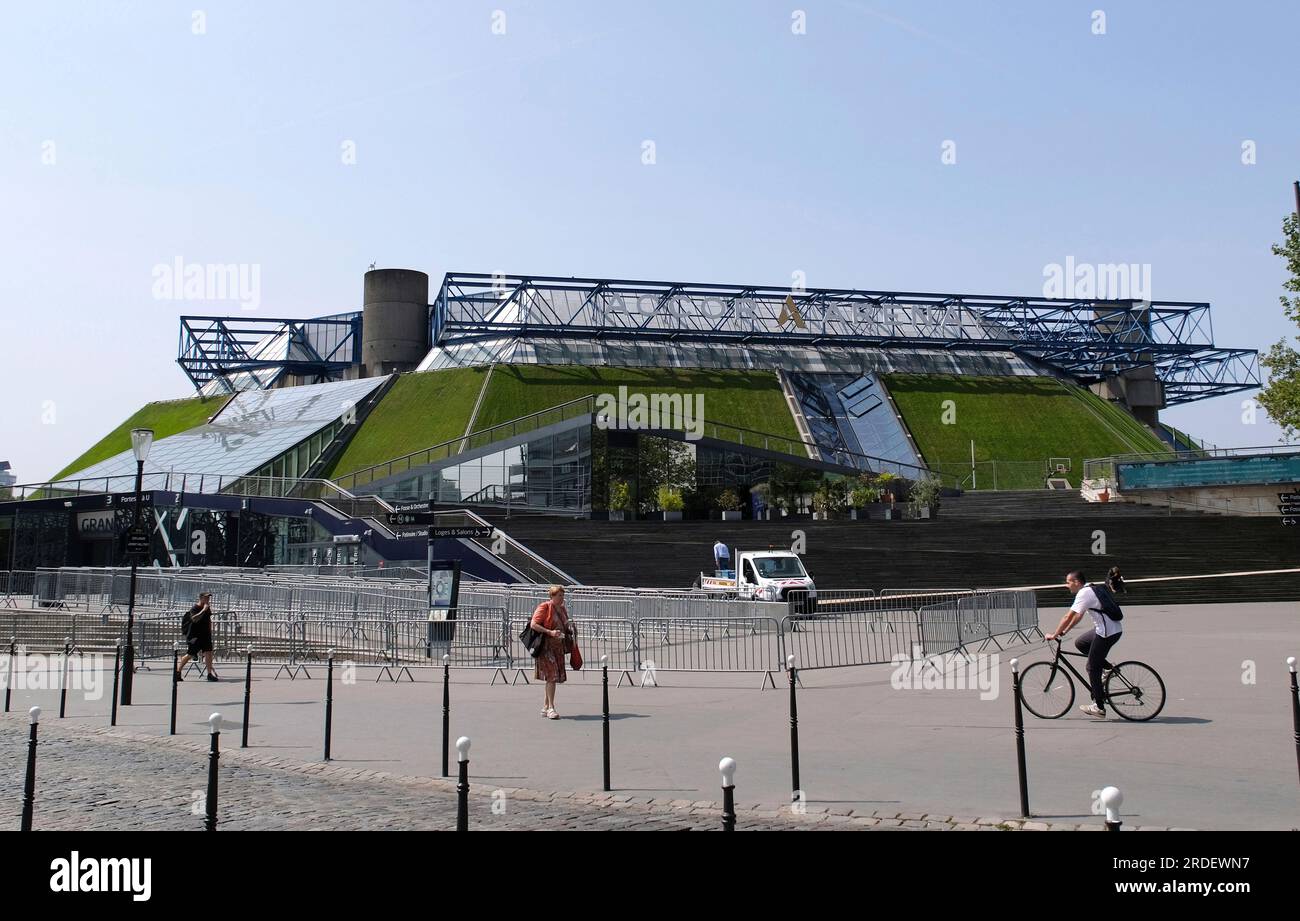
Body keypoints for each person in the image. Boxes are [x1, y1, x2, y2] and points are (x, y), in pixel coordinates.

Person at [1046, 570, 1122, 719]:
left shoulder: (1083, 593)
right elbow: (1078, 616)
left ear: (1076, 582)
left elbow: (1068, 616)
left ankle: (1099, 706)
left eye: (1068, 582)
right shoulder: (1091, 587)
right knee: (1081, 643)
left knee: (1092, 667)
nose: (1067, 585)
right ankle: (1108, 669)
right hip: (1111, 629)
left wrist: (1054, 634)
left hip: (1107, 633)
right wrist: (1065, 631)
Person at [530, 585, 573, 719]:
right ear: (552, 596)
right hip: (546, 647)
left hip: (558, 647)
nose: (562, 598)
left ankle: (545, 707)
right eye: (559, 595)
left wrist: (570, 628)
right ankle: (551, 708)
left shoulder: (562, 609)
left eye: (562, 595)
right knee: (552, 677)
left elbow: (566, 625)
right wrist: (550, 632)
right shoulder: (544, 607)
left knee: (551, 678)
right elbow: (534, 624)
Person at [177, 592, 220, 682]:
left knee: (208, 653)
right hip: (195, 635)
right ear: (201, 598)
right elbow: (194, 619)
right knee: (190, 654)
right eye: (206, 598)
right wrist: (203, 610)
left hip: (205, 635)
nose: (208, 600)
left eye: (208, 598)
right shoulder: (195, 608)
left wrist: (210, 631)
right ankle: (178, 672)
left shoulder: (207, 608)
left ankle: (209, 674)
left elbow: (208, 620)